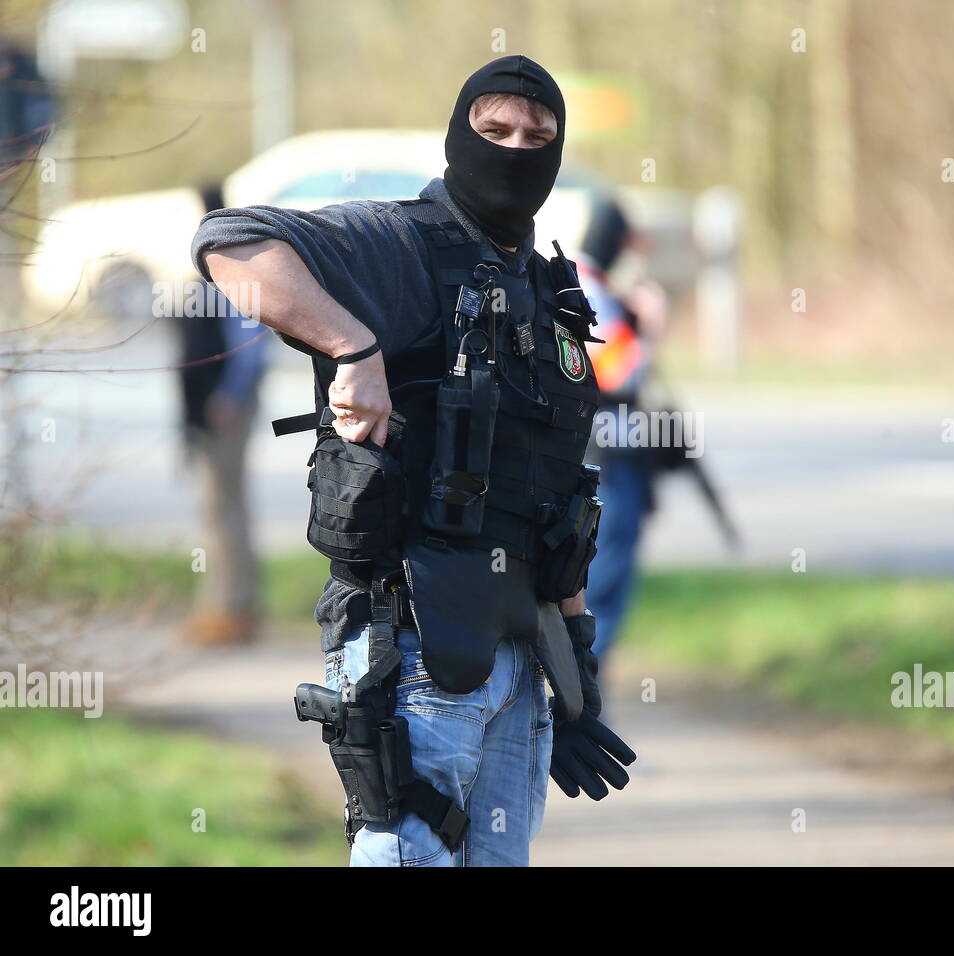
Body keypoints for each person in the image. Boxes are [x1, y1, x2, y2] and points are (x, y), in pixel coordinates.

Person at [192, 56, 634, 867]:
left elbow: (554, 499)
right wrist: (353, 348)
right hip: (413, 646)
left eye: (539, 136)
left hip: (521, 662)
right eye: (493, 129)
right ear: (455, 135)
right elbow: (229, 246)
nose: (516, 149)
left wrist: (579, 669)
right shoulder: (396, 244)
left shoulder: (550, 295)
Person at [179, 185, 270, 647]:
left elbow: (250, 346)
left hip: (224, 407)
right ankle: (231, 607)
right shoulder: (219, 267)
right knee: (223, 509)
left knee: (222, 511)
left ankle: (229, 612)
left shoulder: (233, 271)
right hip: (214, 406)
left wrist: (228, 396)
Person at [575, 197, 661, 660]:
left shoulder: (580, 279)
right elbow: (618, 373)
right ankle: (585, 701)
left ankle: (581, 695)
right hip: (606, 452)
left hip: (597, 447)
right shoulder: (591, 287)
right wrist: (648, 328)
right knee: (604, 581)